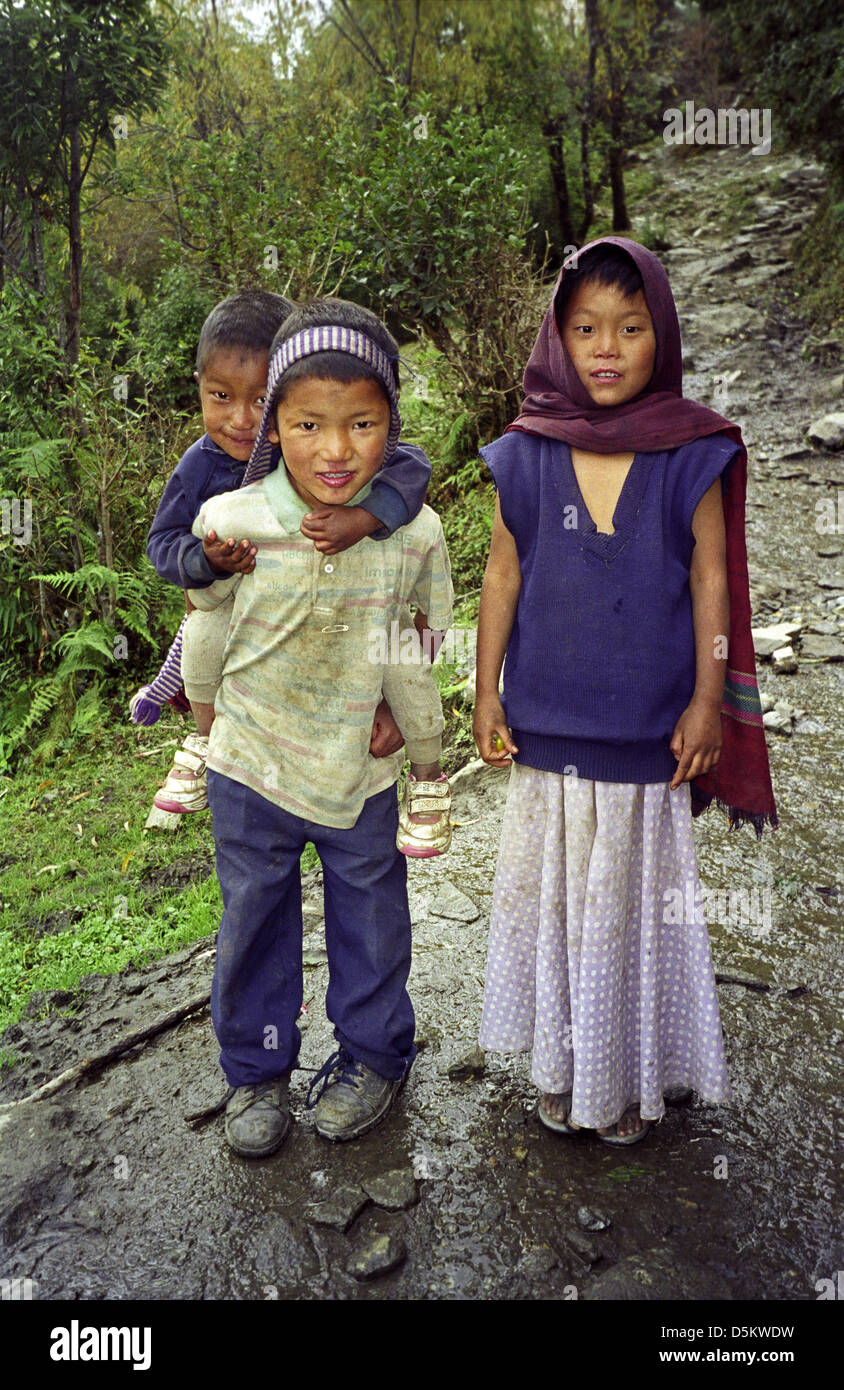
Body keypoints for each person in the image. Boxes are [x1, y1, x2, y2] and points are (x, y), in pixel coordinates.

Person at [473, 237, 777, 1146]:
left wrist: (704, 699)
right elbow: (500, 579)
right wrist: (483, 693)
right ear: (558, 340)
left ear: (664, 337)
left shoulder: (693, 454)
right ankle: (566, 1070)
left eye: (630, 328)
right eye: (585, 328)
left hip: (649, 743)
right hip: (550, 741)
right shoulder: (523, 456)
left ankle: (628, 1078)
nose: (606, 347)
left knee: (629, 921)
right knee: (563, 912)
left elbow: (711, 585)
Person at [190, 298, 453, 1156]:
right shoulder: (233, 523)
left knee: (370, 918)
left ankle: (374, 1058)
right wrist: (198, 719)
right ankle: (258, 1075)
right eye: (307, 424)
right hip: (251, 765)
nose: (335, 452)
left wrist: (398, 707)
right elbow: (204, 624)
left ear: (393, 424)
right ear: (275, 422)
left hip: (361, 770)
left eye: (362, 424)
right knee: (255, 921)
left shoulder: (411, 532)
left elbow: (429, 626)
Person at [132, 288, 451, 856]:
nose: (241, 419)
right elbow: (163, 543)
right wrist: (205, 561)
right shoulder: (200, 466)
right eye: (221, 396)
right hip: (232, 630)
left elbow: (412, 468)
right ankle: (207, 738)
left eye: (260, 400)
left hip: (338, 646)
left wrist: (362, 517)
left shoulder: (318, 443)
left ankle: (426, 773)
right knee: (201, 630)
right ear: (199, 387)